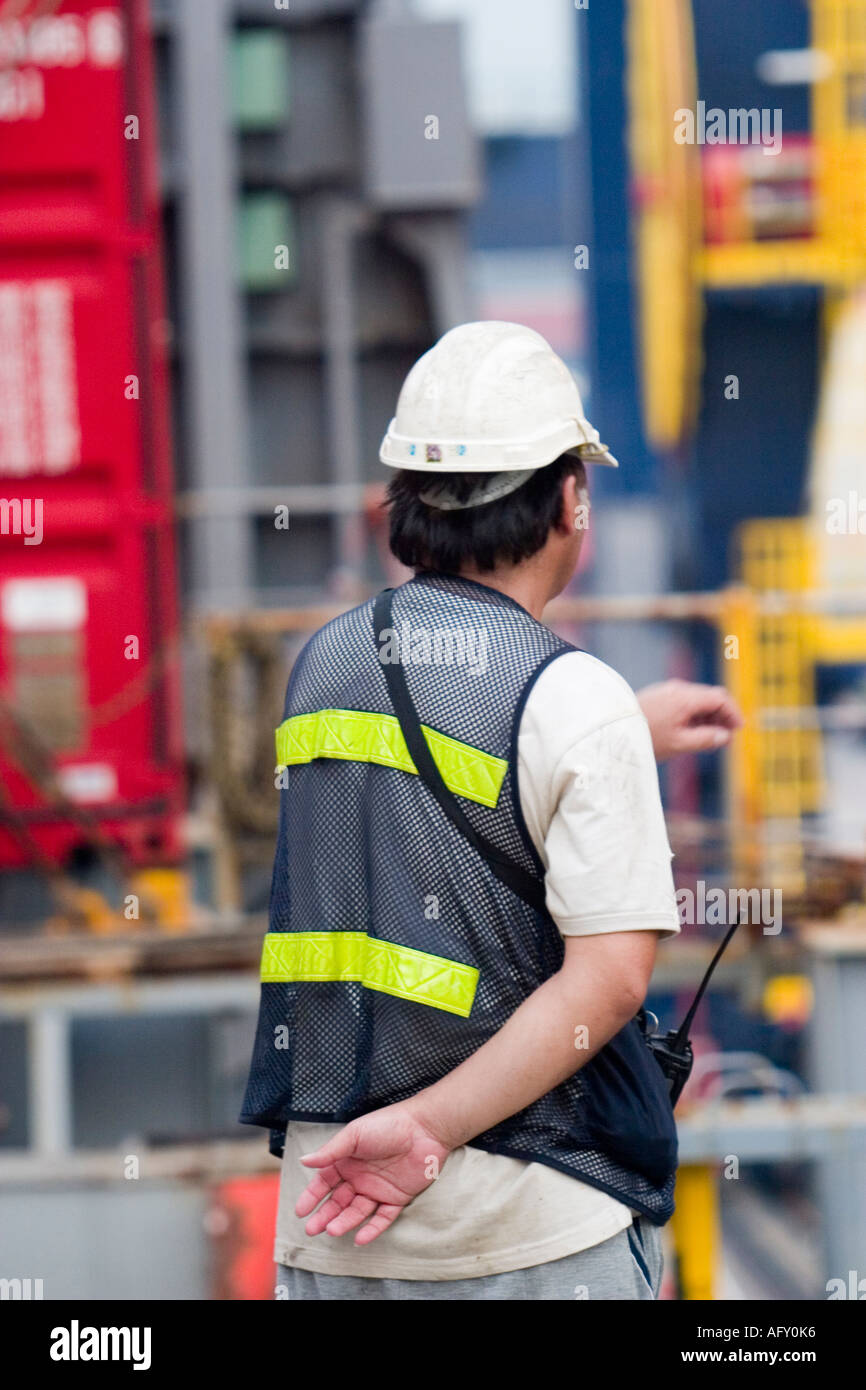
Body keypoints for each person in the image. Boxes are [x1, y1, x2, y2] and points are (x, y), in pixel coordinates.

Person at [240, 321, 742, 1300]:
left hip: (331, 1226)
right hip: (526, 1237)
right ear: (569, 499)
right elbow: (602, 985)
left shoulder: (324, 665)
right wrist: (428, 1129)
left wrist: (617, 735)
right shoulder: (571, 699)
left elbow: (437, 783)